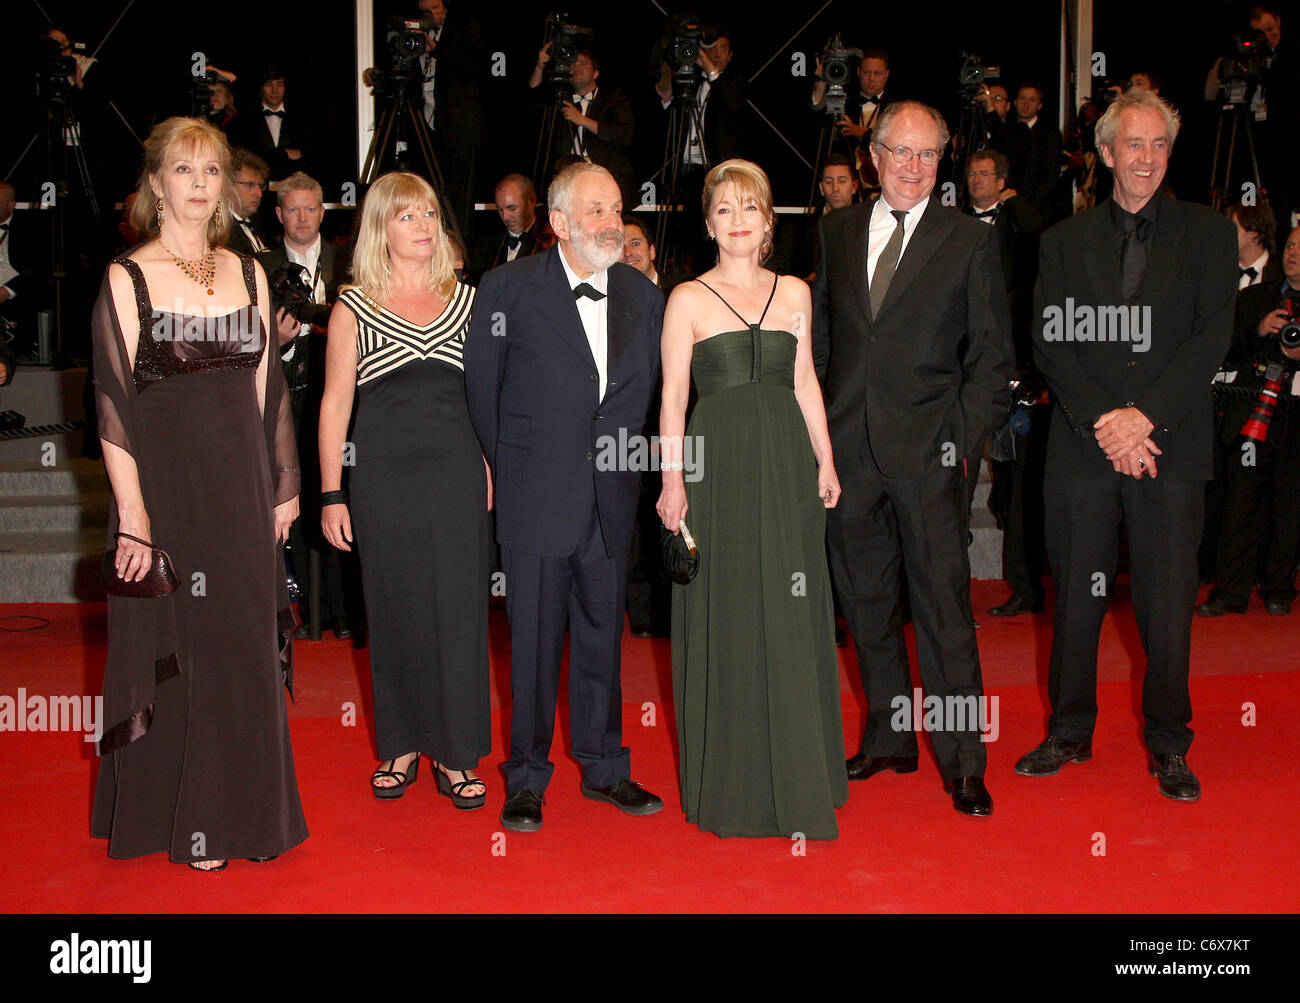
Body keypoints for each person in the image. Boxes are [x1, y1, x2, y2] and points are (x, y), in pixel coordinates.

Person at [89, 116, 307, 870]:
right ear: (155, 183)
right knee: (183, 646)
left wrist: (283, 482)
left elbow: (267, 386)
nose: (198, 184)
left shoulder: (246, 266)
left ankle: (251, 810)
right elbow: (113, 405)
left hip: (241, 488)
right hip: (168, 490)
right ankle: (192, 817)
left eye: (211, 171)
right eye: (182, 171)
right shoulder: (127, 275)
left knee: (243, 646)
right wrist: (135, 516)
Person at [1018, 90, 1237, 802]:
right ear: (1106, 153)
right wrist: (1105, 421)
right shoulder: (1060, 241)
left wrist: (1142, 419)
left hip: (1170, 445)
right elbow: (1050, 339)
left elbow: (1210, 339)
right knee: (1075, 599)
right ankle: (1069, 729)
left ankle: (1170, 741)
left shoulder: (1209, 234)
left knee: (1169, 604)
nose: (1146, 159)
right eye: (1133, 145)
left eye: (1159, 146)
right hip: (1084, 447)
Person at [813, 100, 1014, 817]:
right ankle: (892, 737)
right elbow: (829, 343)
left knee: (943, 612)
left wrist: (957, 447)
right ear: (872, 155)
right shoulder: (834, 233)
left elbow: (993, 361)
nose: (914, 167)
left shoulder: (967, 240)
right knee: (866, 607)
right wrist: (821, 440)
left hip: (931, 456)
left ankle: (964, 760)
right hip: (848, 456)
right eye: (901, 151)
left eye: (929, 156)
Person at [464, 162, 665, 833]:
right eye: (596, 210)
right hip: (534, 494)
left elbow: (646, 398)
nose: (612, 222)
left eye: (616, 208)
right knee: (533, 645)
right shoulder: (505, 289)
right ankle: (525, 776)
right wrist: (508, 469)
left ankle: (606, 765)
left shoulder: (644, 295)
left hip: (611, 497)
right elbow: (483, 394)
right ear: (558, 222)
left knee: (605, 641)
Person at [657, 159, 847, 838]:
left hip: (787, 465)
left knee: (791, 609)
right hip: (718, 470)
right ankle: (734, 782)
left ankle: (801, 772)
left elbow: (805, 386)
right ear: (708, 224)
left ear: (769, 221)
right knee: (731, 608)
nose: (738, 221)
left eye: (751, 209)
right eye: (725, 210)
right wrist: (672, 480)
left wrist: (825, 458)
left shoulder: (796, 292)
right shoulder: (686, 299)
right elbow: (673, 400)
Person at [319, 171, 490, 807]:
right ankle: (400, 742)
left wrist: (491, 465)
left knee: (459, 610)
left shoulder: (470, 302)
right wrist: (332, 493)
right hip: (381, 478)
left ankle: (457, 750)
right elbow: (334, 406)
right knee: (391, 608)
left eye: (428, 215)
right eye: (406, 217)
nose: (422, 227)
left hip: (456, 475)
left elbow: (488, 399)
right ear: (381, 231)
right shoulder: (353, 306)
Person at [257, 172, 358, 641]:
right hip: (286, 402)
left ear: (323, 211)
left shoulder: (350, 262)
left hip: (344, 403)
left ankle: (344, 612)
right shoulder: (258, 266)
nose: (302, 217)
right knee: (292, 502)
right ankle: (305, 611)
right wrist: (275, 344)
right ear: (279, 214)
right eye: (292, 209)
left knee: (340, 499)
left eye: (310, 208)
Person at [1198, 226, 1300, 617]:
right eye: (1289, 246)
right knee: (1239, 505)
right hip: (1249, 417)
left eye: (1299, 249)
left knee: (1288, 509)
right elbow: (1225, 348)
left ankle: (1279, 589)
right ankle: (1230, 591)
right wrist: (1258, 330)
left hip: (1293, 424)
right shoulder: (1255, 297)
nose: (1292, 253)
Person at [529, 47, 637, 210]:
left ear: (596, 73)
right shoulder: (561, 98)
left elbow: (624, 135)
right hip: (567, 177)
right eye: (572, 64)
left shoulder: (612, 98)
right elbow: (533, 100)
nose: (576, 68)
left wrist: (583, 121)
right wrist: (539, 66)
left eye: (583, 64)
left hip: (605, 178)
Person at [226, 149, 271, 255]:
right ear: (227, 185)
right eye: (250, 185)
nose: (259, 194)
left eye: (260, 186)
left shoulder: (256, 222)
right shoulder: (221, 230)